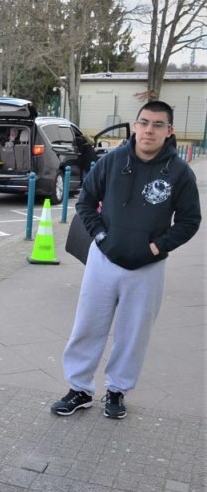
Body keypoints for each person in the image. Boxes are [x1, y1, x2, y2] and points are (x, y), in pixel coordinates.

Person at [51, 100, 201, 420]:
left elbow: (190, 221)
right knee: (87, 326)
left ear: (169, 131)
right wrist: (100, 236)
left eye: (158, 125)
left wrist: (156, 248)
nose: (149, 130)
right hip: (103, 260)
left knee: (133, 334)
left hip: (147, 267)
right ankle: (79, 389)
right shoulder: (113, 161)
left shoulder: (179, 172)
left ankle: (117, 390)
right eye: (144, 123)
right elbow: (86, 202)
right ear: (135, 126)